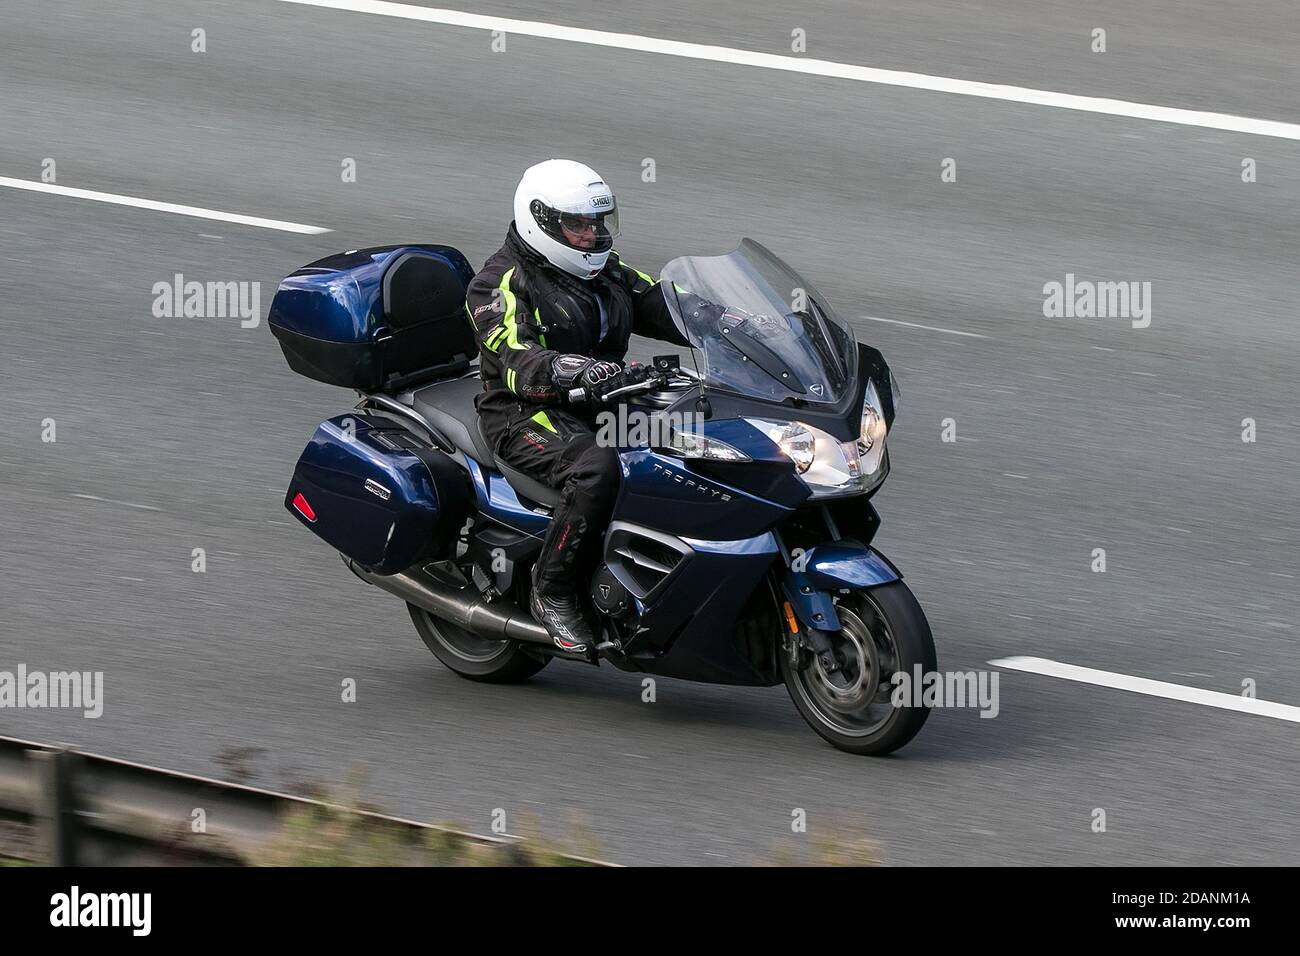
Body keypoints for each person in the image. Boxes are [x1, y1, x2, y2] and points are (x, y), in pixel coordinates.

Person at [463, 159, 689, 654]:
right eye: (577, 225)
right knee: (597, 468)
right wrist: (577, 372)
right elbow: (518, 358)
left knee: (696, 438)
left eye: (596, 224)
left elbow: (664, 303)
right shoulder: (497, 284)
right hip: (522, 414)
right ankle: (554, 589)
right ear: (539, 221)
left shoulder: (607, 272)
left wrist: (739, 324)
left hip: (604, 399)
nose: (591, 236)